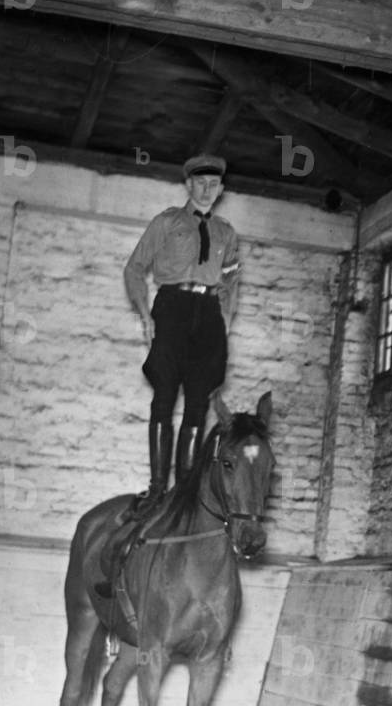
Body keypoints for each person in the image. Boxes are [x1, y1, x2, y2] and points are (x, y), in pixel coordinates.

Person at [123, 154, 240, 516]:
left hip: (207, 315)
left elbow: (231, 282)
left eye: (214, 183)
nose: (208, 188)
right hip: (171, 308)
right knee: (164, 396)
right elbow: (134, 268)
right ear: (189, 184)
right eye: (201, 181)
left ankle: (184, 494)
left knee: (198, 405)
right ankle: (158, 489)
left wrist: (223, 322)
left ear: (220, 190)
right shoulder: (166, 221)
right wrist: (146, 315)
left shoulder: (226, 233)